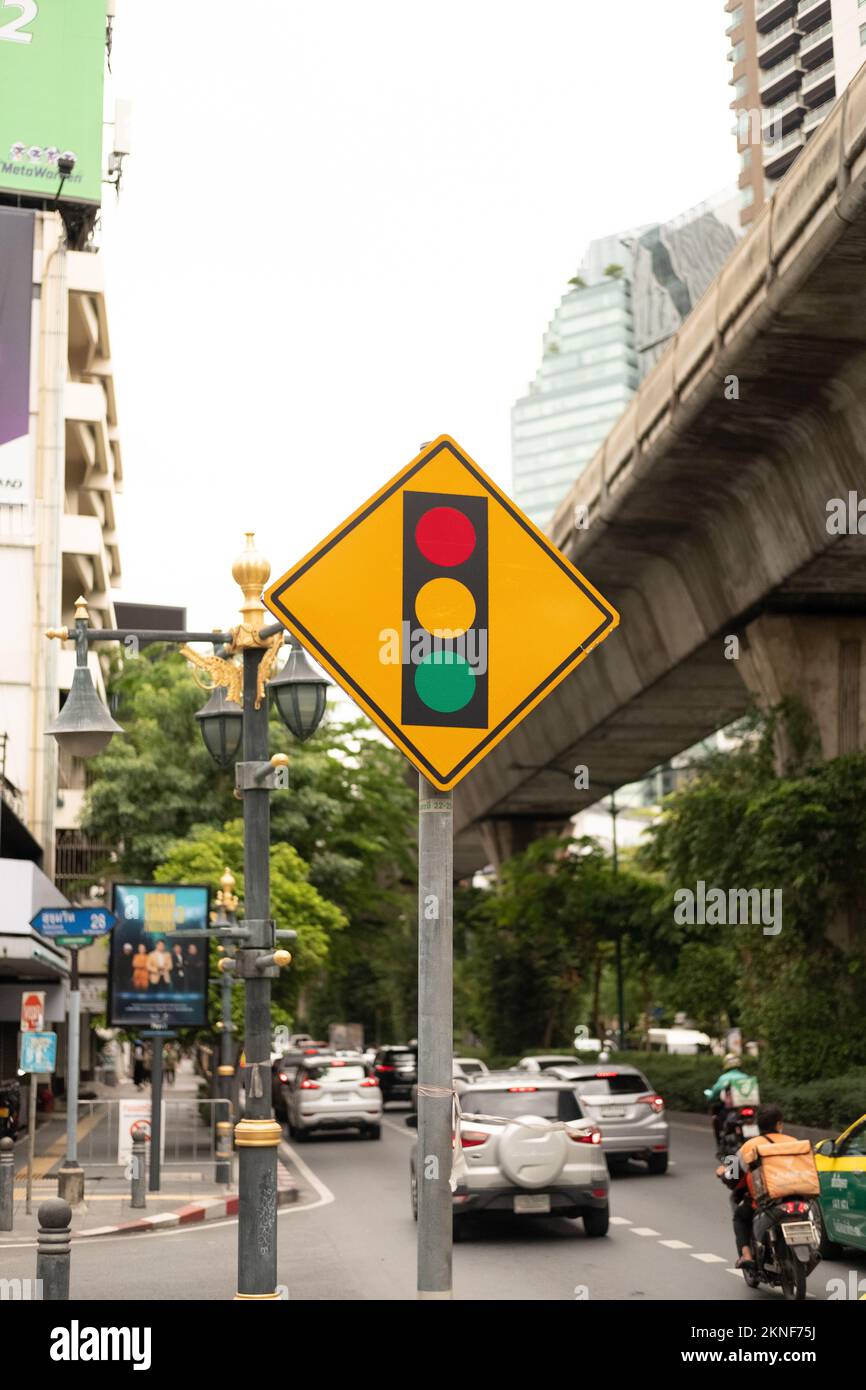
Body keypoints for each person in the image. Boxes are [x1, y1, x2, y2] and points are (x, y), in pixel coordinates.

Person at [717, 1102, 786, 1271]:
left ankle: (746, 1255)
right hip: (795, 1196)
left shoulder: (749, 1146)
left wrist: (722, 1171)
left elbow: (731, 1175)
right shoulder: (794, 1142)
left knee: (740, 1217)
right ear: (779, 1125)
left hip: (766, 1203)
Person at [704, 1053, 751, 1147]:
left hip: (730, 1109)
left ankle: (720, 1143)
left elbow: (713, 1095)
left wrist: (709, 1097)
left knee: (717, 1119)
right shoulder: (746, 1077)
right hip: (748, 1108)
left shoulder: (724, 1078)